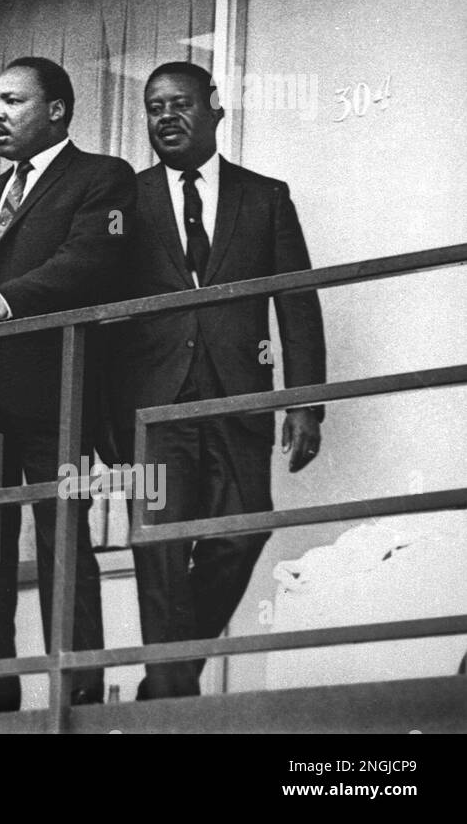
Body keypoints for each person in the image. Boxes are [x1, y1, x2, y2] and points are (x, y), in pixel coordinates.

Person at [112, 62, 326, 699]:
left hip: (239, 396)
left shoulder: (265, 197)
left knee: (242, 530)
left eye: (179, 103)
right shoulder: (126, 202)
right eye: (154, 107)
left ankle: (166, 683)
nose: (166, 117)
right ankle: (173, 699)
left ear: (214, 110)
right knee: (157, 546)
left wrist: (304, 403)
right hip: (154, 409)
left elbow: (296, 301)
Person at [0, 56, 135, 713]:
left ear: (55, 110)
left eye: (12, 102)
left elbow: (90, 262)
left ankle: (75, 696)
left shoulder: (101, 177)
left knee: (63, 546)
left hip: (58, 390)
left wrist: (3, 303)